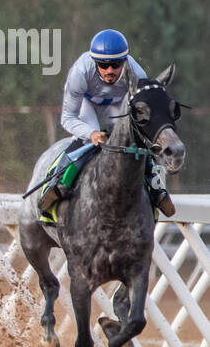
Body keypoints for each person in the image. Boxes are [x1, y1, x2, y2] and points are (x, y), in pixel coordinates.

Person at [38, 28, 174, 218]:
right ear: (95, 62)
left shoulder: (137, 74)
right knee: (89, 139)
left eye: (116, 64)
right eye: (103, 65)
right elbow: (67, 118)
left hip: (118, 104)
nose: (110, 70)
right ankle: (58, 182)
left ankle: (154, 185)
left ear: (125, 61)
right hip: (88, 103)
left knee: (134, 140)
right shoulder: (80, 73)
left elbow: (144, 114)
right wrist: (91, 133)